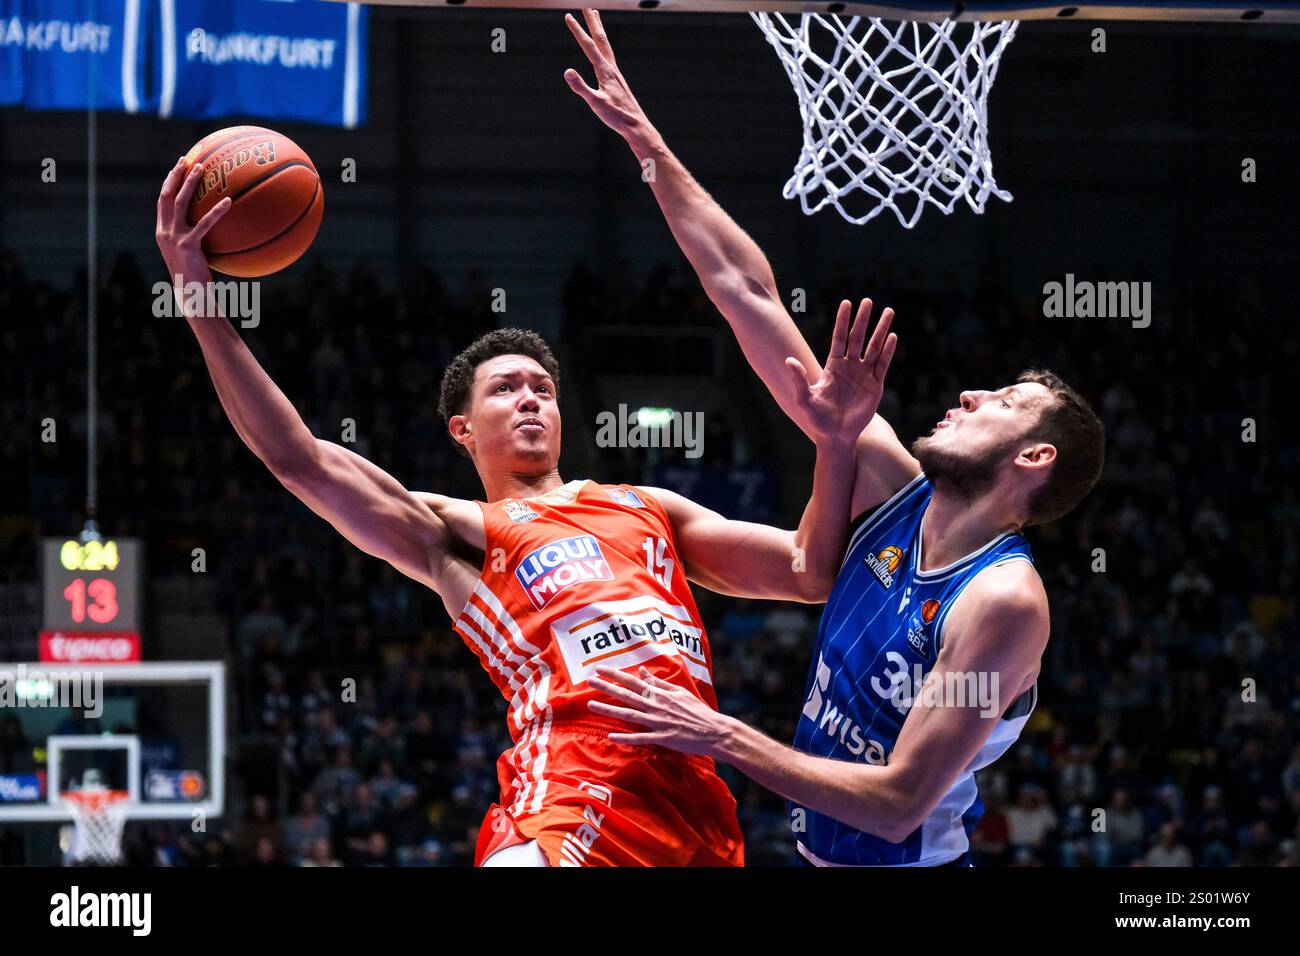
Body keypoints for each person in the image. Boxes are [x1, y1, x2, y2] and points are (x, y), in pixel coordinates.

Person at [154, 158, 895, 866]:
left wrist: (834, 444)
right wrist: (198, 303)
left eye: (541, 386)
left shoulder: (647, 508)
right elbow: (298, 458)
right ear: (463, 430)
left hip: (698, 808)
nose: (532, 397)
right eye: (506, 388)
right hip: (569, 794)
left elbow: (810, 570)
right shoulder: (458, 533)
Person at [566, 8, 1104, 866]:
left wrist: (723, 736)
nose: (970, 391)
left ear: (1032, 459)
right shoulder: (893, 485)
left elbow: (897, 804)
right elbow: (749, 292)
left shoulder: (1001, 603)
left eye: (1002, 400)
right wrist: (648, 147)